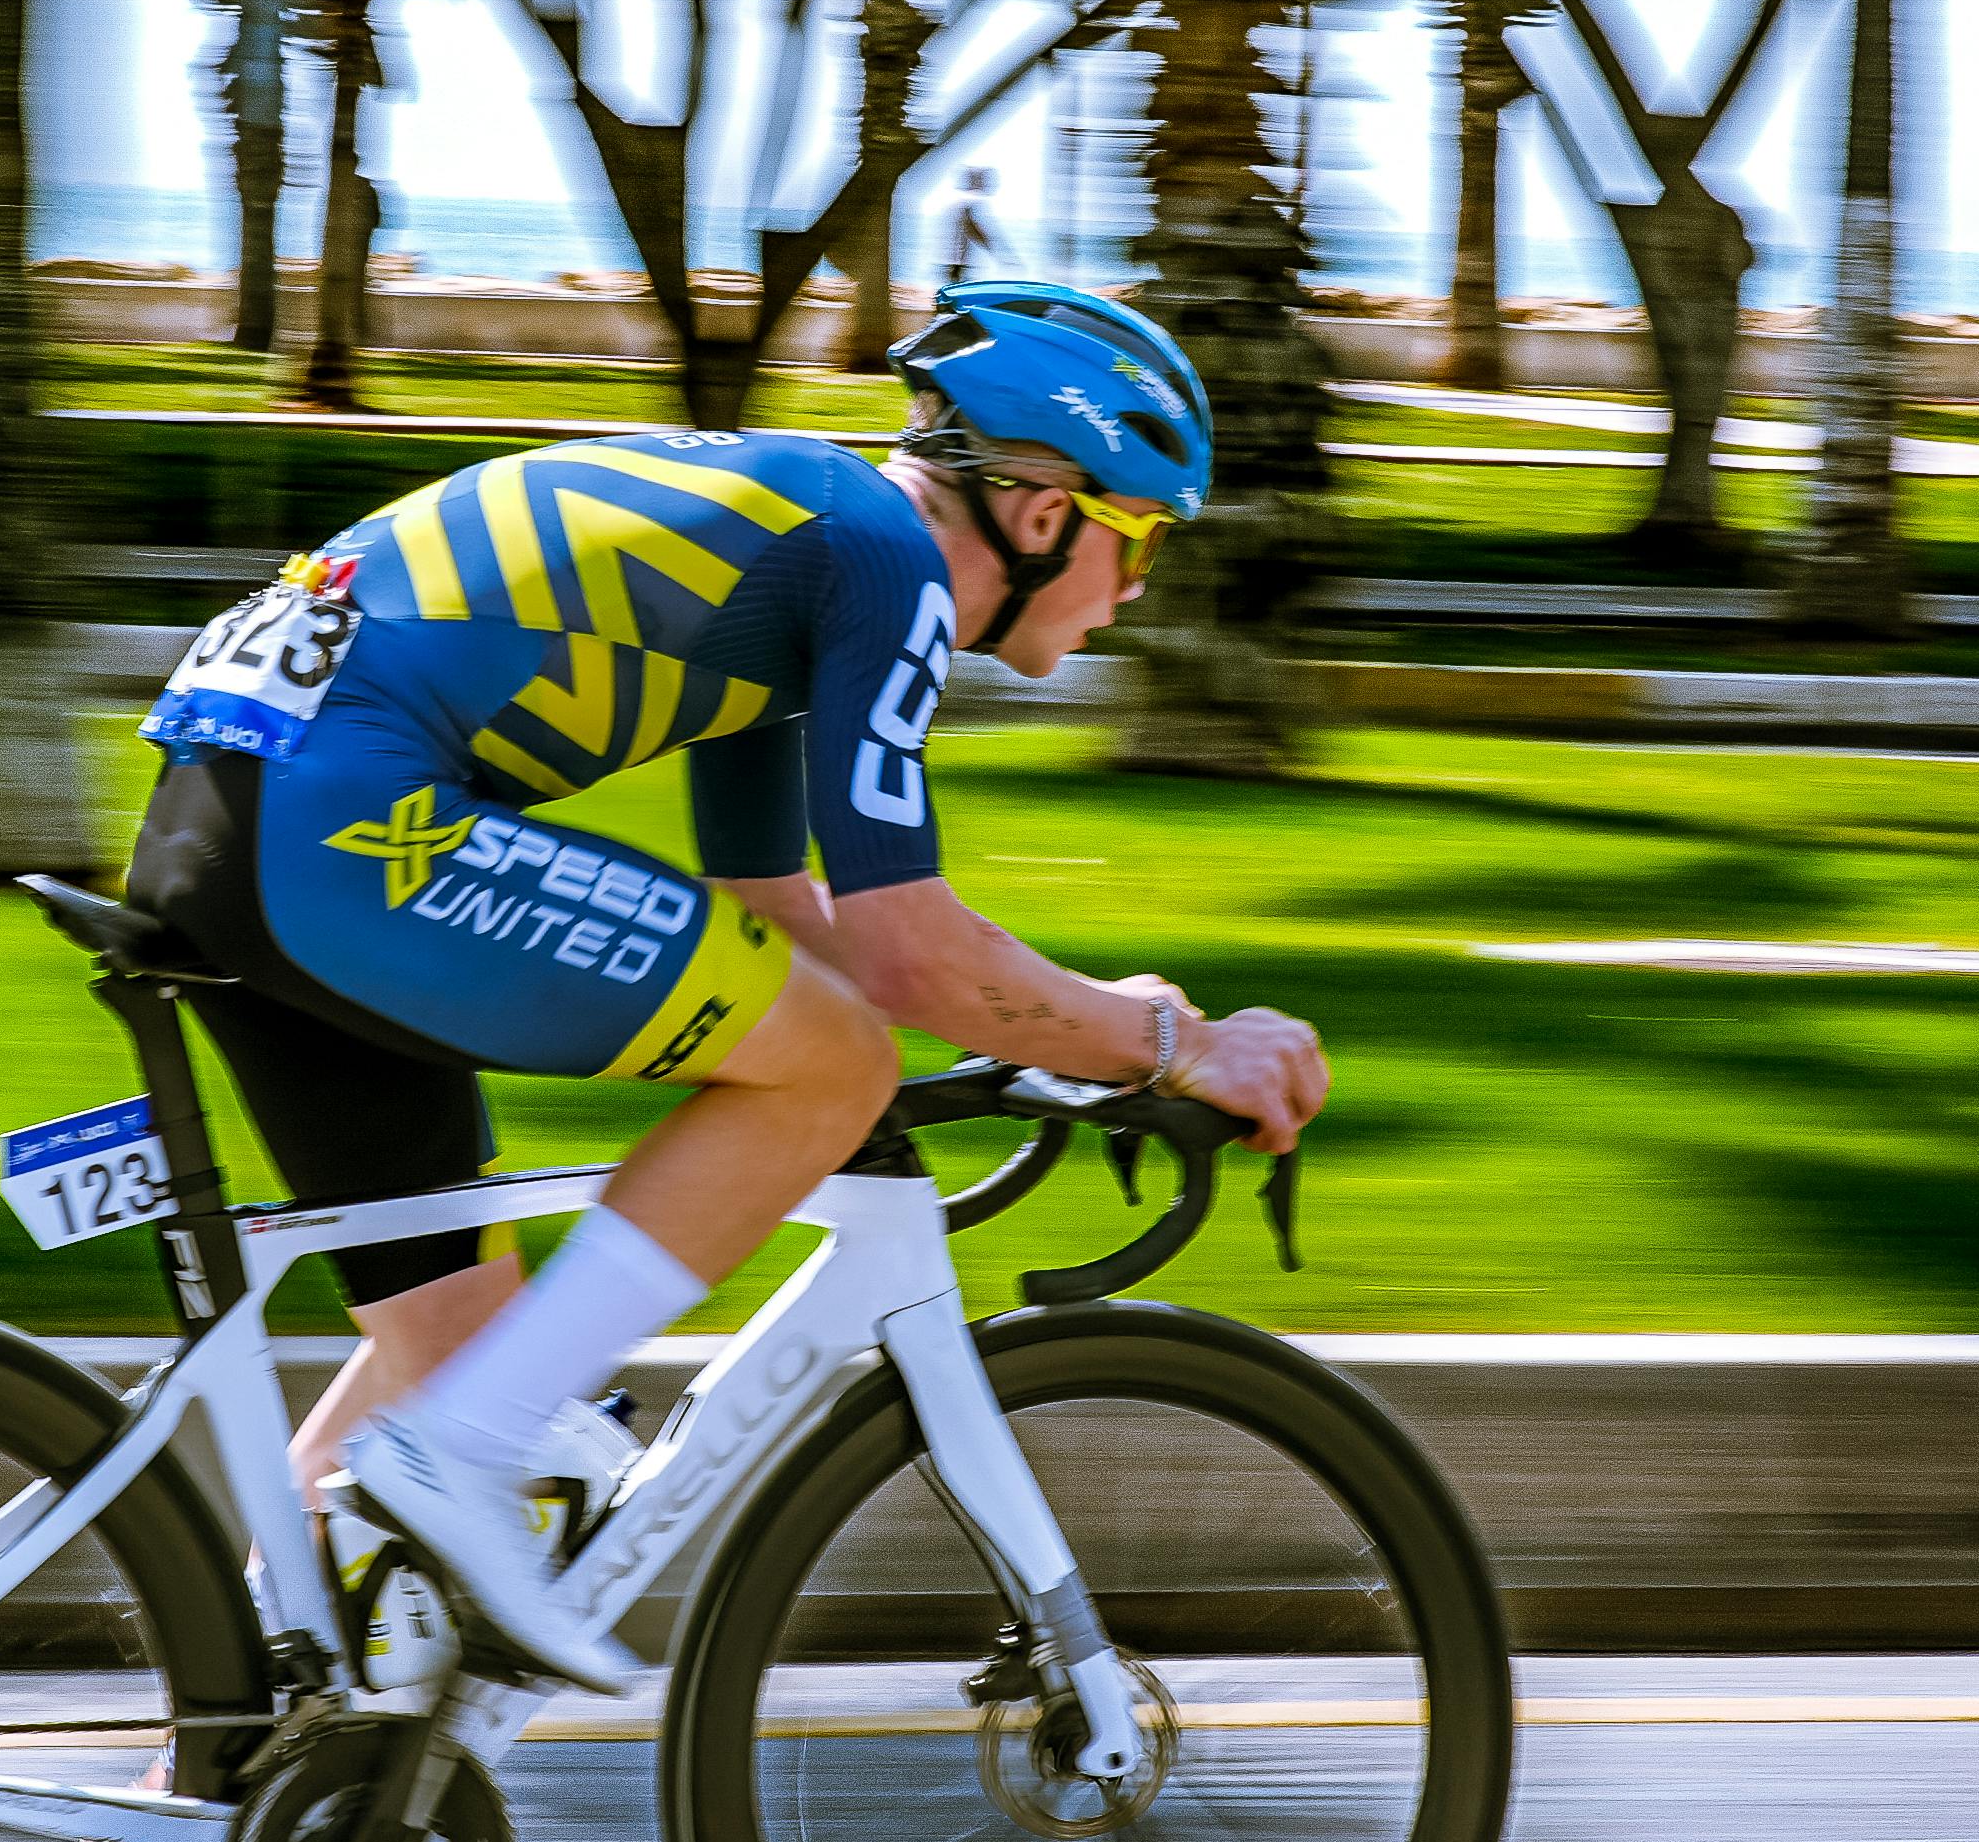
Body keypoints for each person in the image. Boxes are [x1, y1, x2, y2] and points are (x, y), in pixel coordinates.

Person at [116, 277, 1327, 1689]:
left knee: (469, 1350)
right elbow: (903, 953)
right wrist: (1170, 1043)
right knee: (817, 1074)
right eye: (1145, 544)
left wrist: (1058, 1030)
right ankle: (446, 1466)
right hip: (336, 834)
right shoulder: (891, 565)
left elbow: (772, 911)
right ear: (1049, 516)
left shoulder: (804, 536)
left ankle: (216, 1768)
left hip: (229, 830)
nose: (1134, 592)